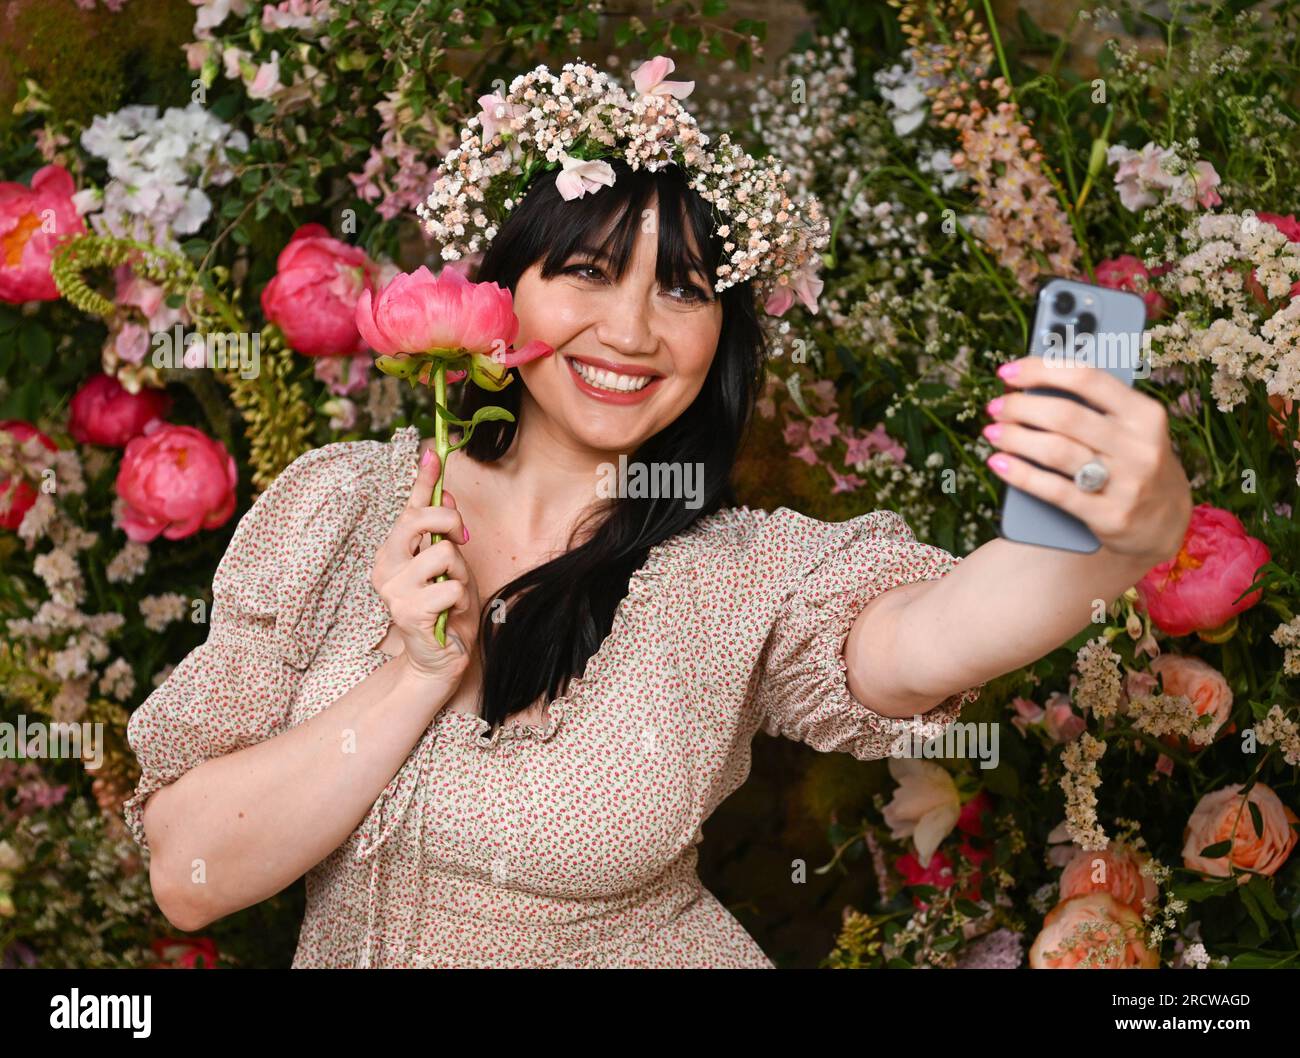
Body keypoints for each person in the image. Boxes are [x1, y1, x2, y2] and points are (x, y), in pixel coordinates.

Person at [122, 59, 1192, 968]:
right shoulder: (338, 502)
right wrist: (413, 673)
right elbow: (190, 873)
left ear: (719, 334)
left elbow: (921, 640)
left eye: (683, 288)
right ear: (501, 288)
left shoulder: (734, 572)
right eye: (586, 271)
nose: (631, 330)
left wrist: (1117, 547)